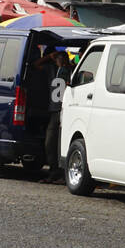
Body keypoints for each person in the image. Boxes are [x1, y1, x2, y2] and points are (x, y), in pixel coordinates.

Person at [43, 47, 74, 181]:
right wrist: (49, 56)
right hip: (55, 110)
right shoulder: (53, 70)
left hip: (66, 110)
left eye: (63, 58)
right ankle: (54, 170)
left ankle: (61, 172)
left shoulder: (71, 70)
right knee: (50, 143)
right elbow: (36, 65)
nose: (60, 60)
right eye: (58, 58)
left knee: (61, 142)